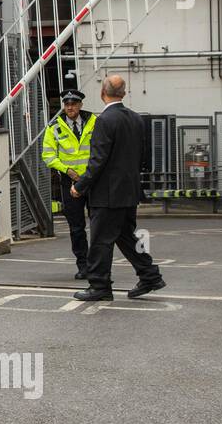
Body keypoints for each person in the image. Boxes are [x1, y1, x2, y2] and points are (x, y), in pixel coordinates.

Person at [69, 75, 166, 301]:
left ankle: (100, 287)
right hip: (129, 191)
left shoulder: (104, 120)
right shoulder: (135, 119)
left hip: (107, 194)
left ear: (103, 93)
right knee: (126, 237)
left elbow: (98, 159)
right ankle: (150, 275)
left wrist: (80, 186)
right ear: (123, 93)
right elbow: (144, 157)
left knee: (101, 242)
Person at [41, 88, 97, 279]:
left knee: (98, 224)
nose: (70, 107)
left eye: (74, 104)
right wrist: (68, 171)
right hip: (70, 181)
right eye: (67, 104)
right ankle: (83, 265)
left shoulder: (94, 122)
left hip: (93, 180)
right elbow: (48, 155)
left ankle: (97, 264)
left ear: (80, 105)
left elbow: (102, 148)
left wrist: (90, 173)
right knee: (76, 226)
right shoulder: (54, 126)